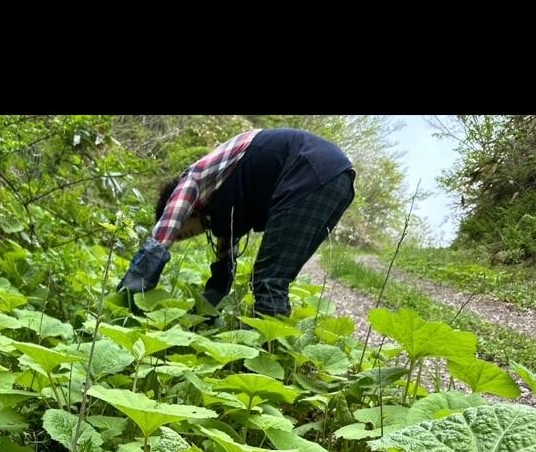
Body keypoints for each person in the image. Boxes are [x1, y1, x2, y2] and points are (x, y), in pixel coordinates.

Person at [117, 125, 356, 316]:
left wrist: (125, 299)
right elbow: (224, 263)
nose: (182, 236)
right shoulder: (224, 207)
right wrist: (205, 311)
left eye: (180, 232)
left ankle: (265, 364)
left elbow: (160, 239)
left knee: (269, 278)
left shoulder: (192, 182)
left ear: (184, 212)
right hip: (338, 181)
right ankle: (273, 351)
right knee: (277, 275)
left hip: (310, 169)